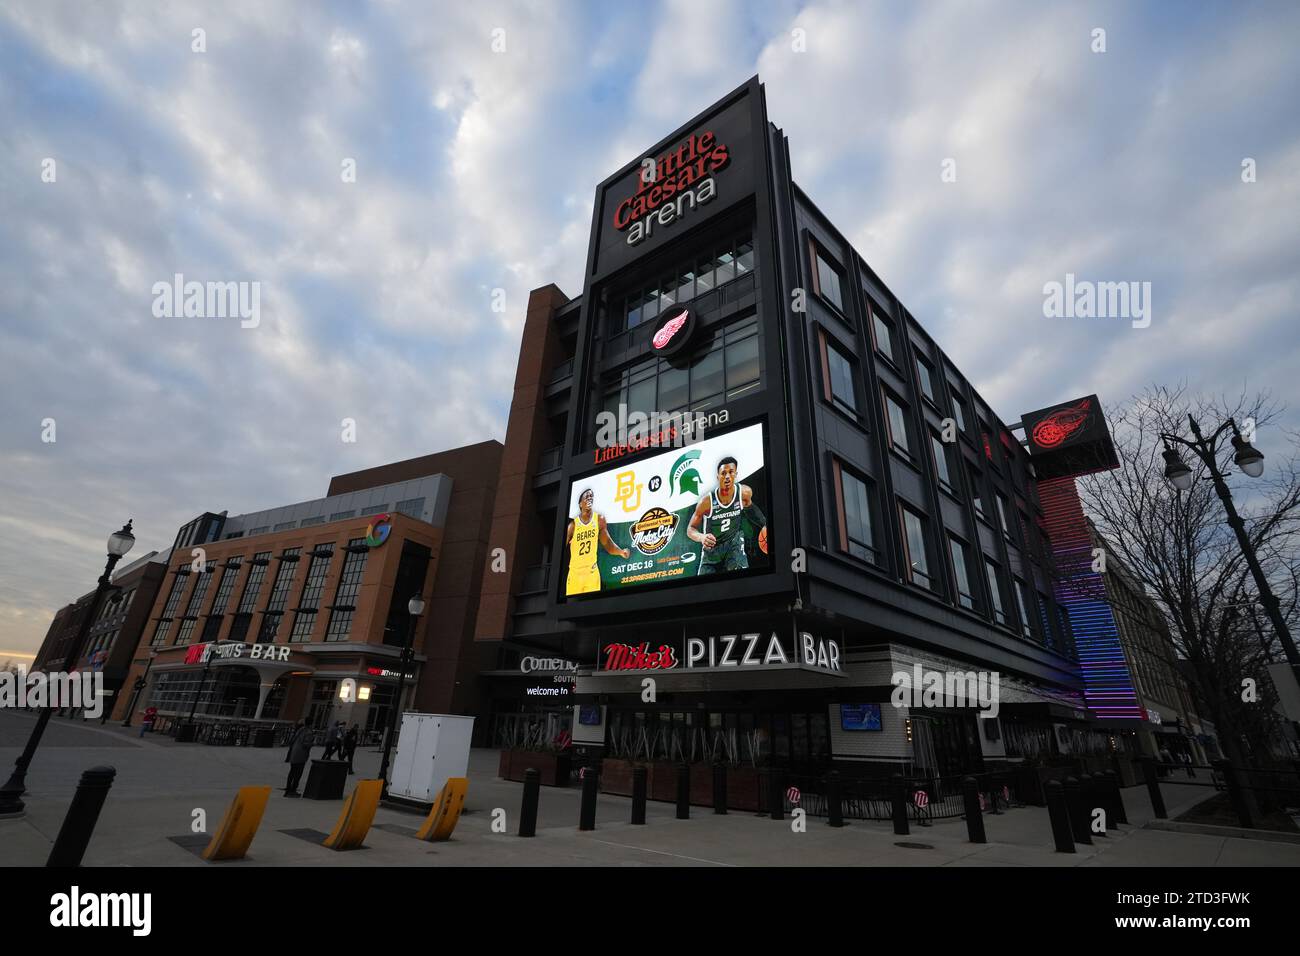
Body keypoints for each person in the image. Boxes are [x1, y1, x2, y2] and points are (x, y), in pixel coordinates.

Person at [686, 456, 768, 575]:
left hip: (733, 545)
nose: (727, 476)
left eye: (731, 472)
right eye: (723, 473)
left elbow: (751, 509)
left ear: (736, 474)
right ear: (718, 477)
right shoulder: (706, 501)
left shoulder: (744, 493)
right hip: (712, 550)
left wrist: (764, 524)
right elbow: (690, 529)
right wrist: (702, 537)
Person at [565, 488, 629, 595]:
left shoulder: (599, 519)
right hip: (575, 574)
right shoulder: (573, 526)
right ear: (580, 504)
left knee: (591, 608)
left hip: (591, 574)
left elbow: (608, 544)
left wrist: (621, 552)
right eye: (587, 496)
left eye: (591, 496)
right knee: (572, 609)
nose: (590, 498)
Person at [284, 721, 313, 796]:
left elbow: (292, 740)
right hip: (301, 755)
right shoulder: (308, 732)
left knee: (292, 772)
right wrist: (312, 744)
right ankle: (293, 790)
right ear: (310, 724)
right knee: (298, 773)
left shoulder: (300, 730)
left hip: (294, 753)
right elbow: (306, 744)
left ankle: (288, 789)